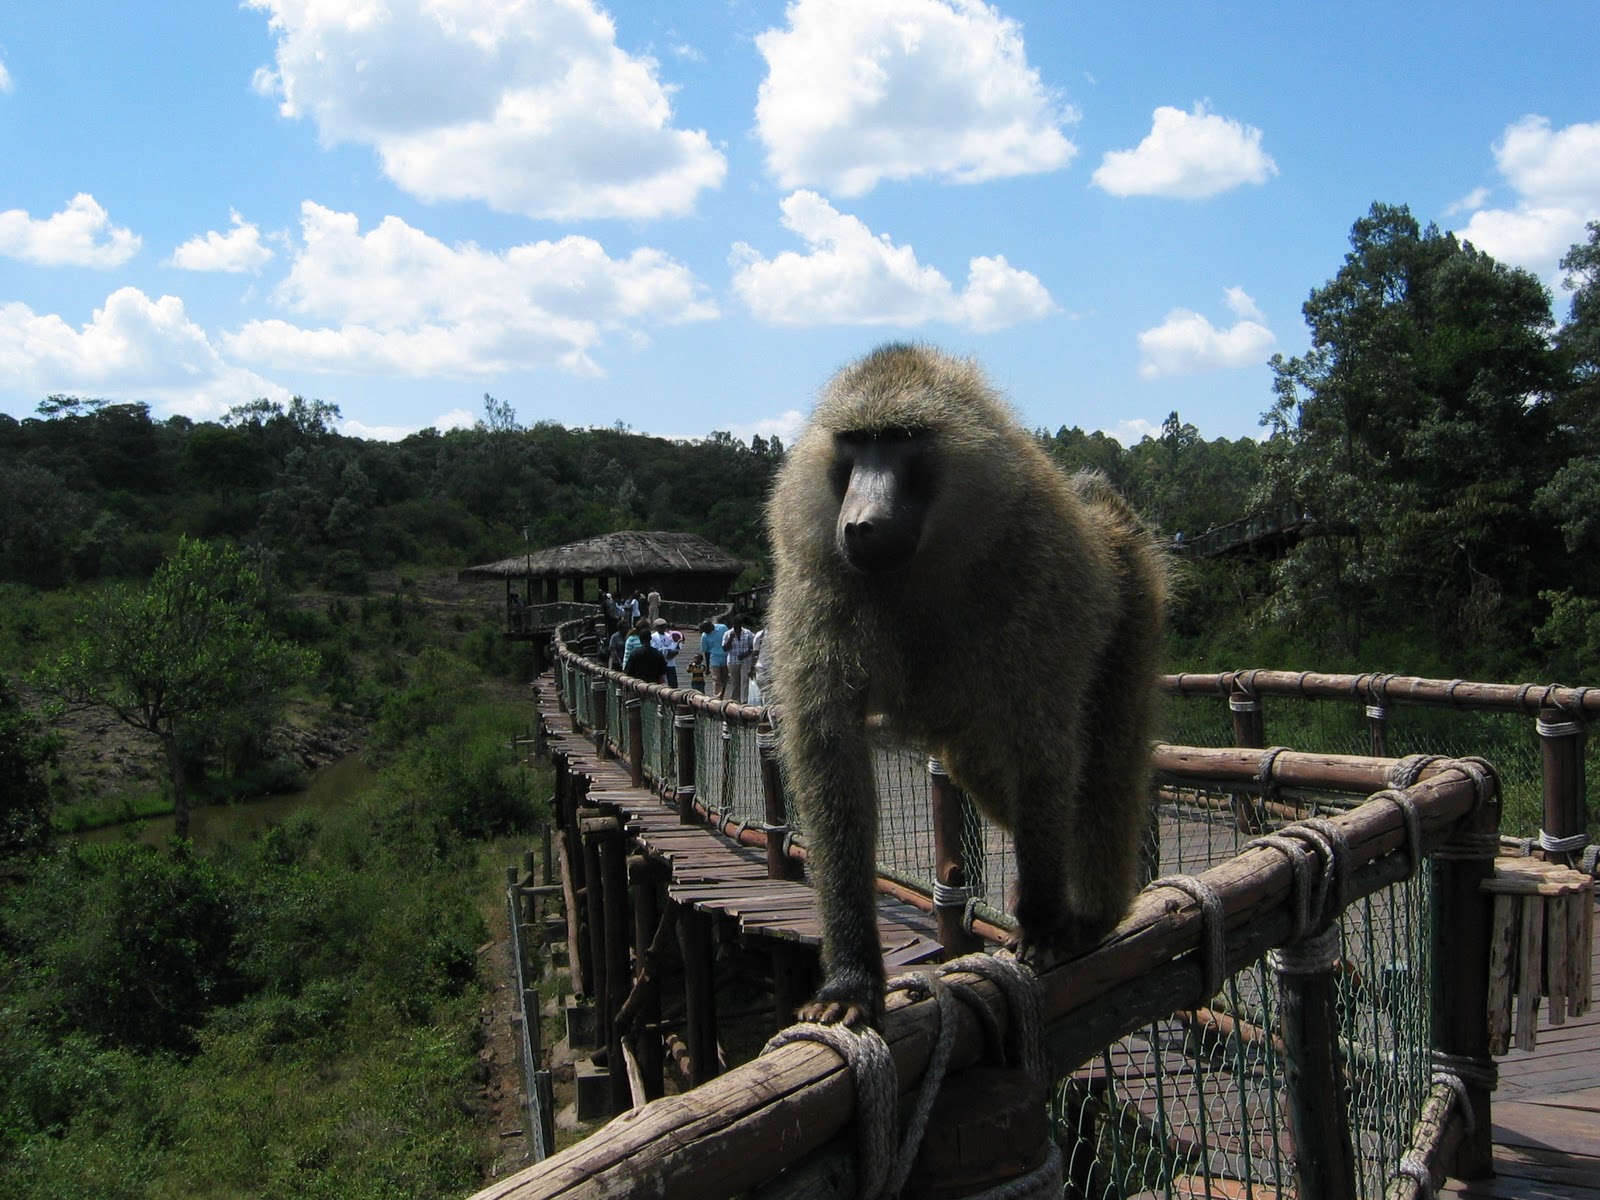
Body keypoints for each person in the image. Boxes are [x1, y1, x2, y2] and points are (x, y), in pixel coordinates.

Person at [723, 613, 755, 703]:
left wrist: (745, 654)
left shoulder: (748, 633)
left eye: (739, 625)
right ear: (733, 625)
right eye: (736, 625)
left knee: (745, 680)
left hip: (745, 660)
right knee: (735, 682)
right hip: (732, 661)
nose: (737, 627)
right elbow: (725, 648)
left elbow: (753, 647)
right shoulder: (727, 634)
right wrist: (730, 639)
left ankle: (744, 700)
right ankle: (735, 700)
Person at [700, 617, 729, 699]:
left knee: (724, 678)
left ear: (711, 626)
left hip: (725, 655)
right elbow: (706, 651)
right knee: (716, 678)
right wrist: (707, 666)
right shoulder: (704, 636)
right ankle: (716, 696)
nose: (707, 632)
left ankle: (721, 695)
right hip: (714, 657)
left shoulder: (722, 628)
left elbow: (730, 638)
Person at [651, 618, 680, 688]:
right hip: (659, 663)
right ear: (656, 627)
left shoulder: (670, 636)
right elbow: (654, 649)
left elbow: (675, 647)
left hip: (670, 663)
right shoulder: (653, 637)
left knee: (673, 683)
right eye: (660, 626)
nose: (663, 628)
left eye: (664, 626)